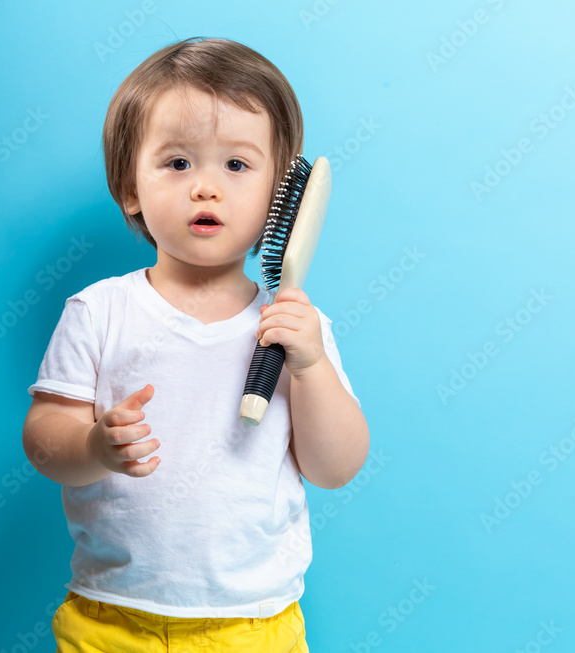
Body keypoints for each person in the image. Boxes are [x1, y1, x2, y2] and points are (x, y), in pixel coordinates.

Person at [22, 36, 369, 652]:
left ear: (278, 202)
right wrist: (94, 445)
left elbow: (334, 467)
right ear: (130, 188)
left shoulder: (294, 328)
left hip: (254, 622)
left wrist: (311, 365)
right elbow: (46, 441)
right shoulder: (99, 311)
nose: (206, 188)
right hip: (111, 616)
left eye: (237, 165)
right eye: (178, 163)